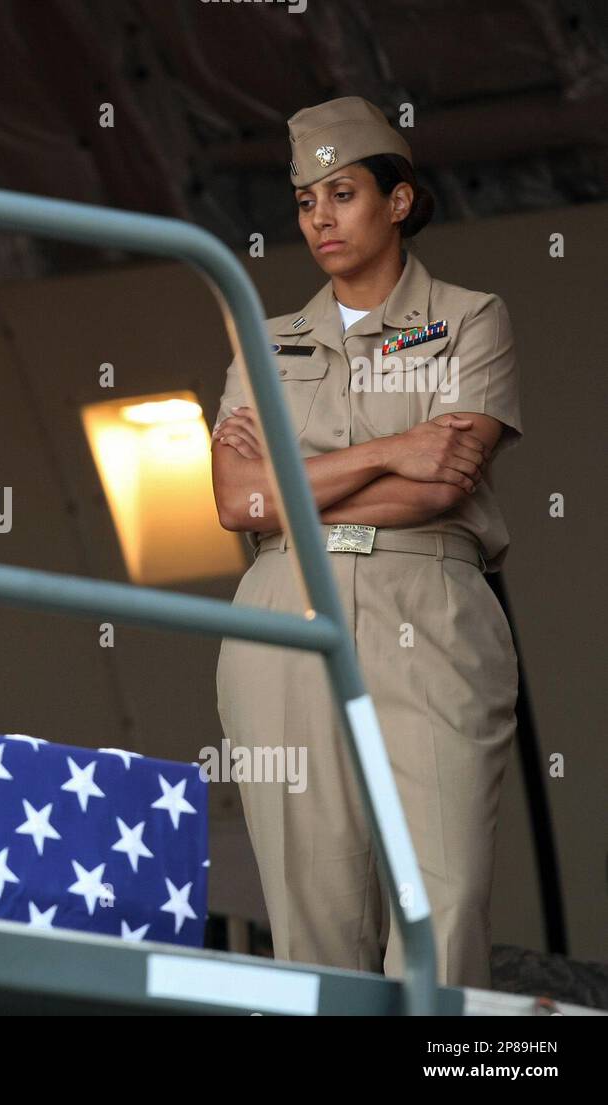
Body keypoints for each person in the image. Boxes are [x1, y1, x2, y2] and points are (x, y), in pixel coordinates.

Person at [210, 96, 523, 990]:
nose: (319, 218)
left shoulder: (470, 317)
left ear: (396, 201)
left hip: (430, 607)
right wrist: (395, 449)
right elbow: (239, 500)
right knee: (312, 917)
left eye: (341, 194)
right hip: (285, 611)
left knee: (444, 902)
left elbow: (445, 482)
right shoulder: (267, 346)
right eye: (306, 200)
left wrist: (293, 485)